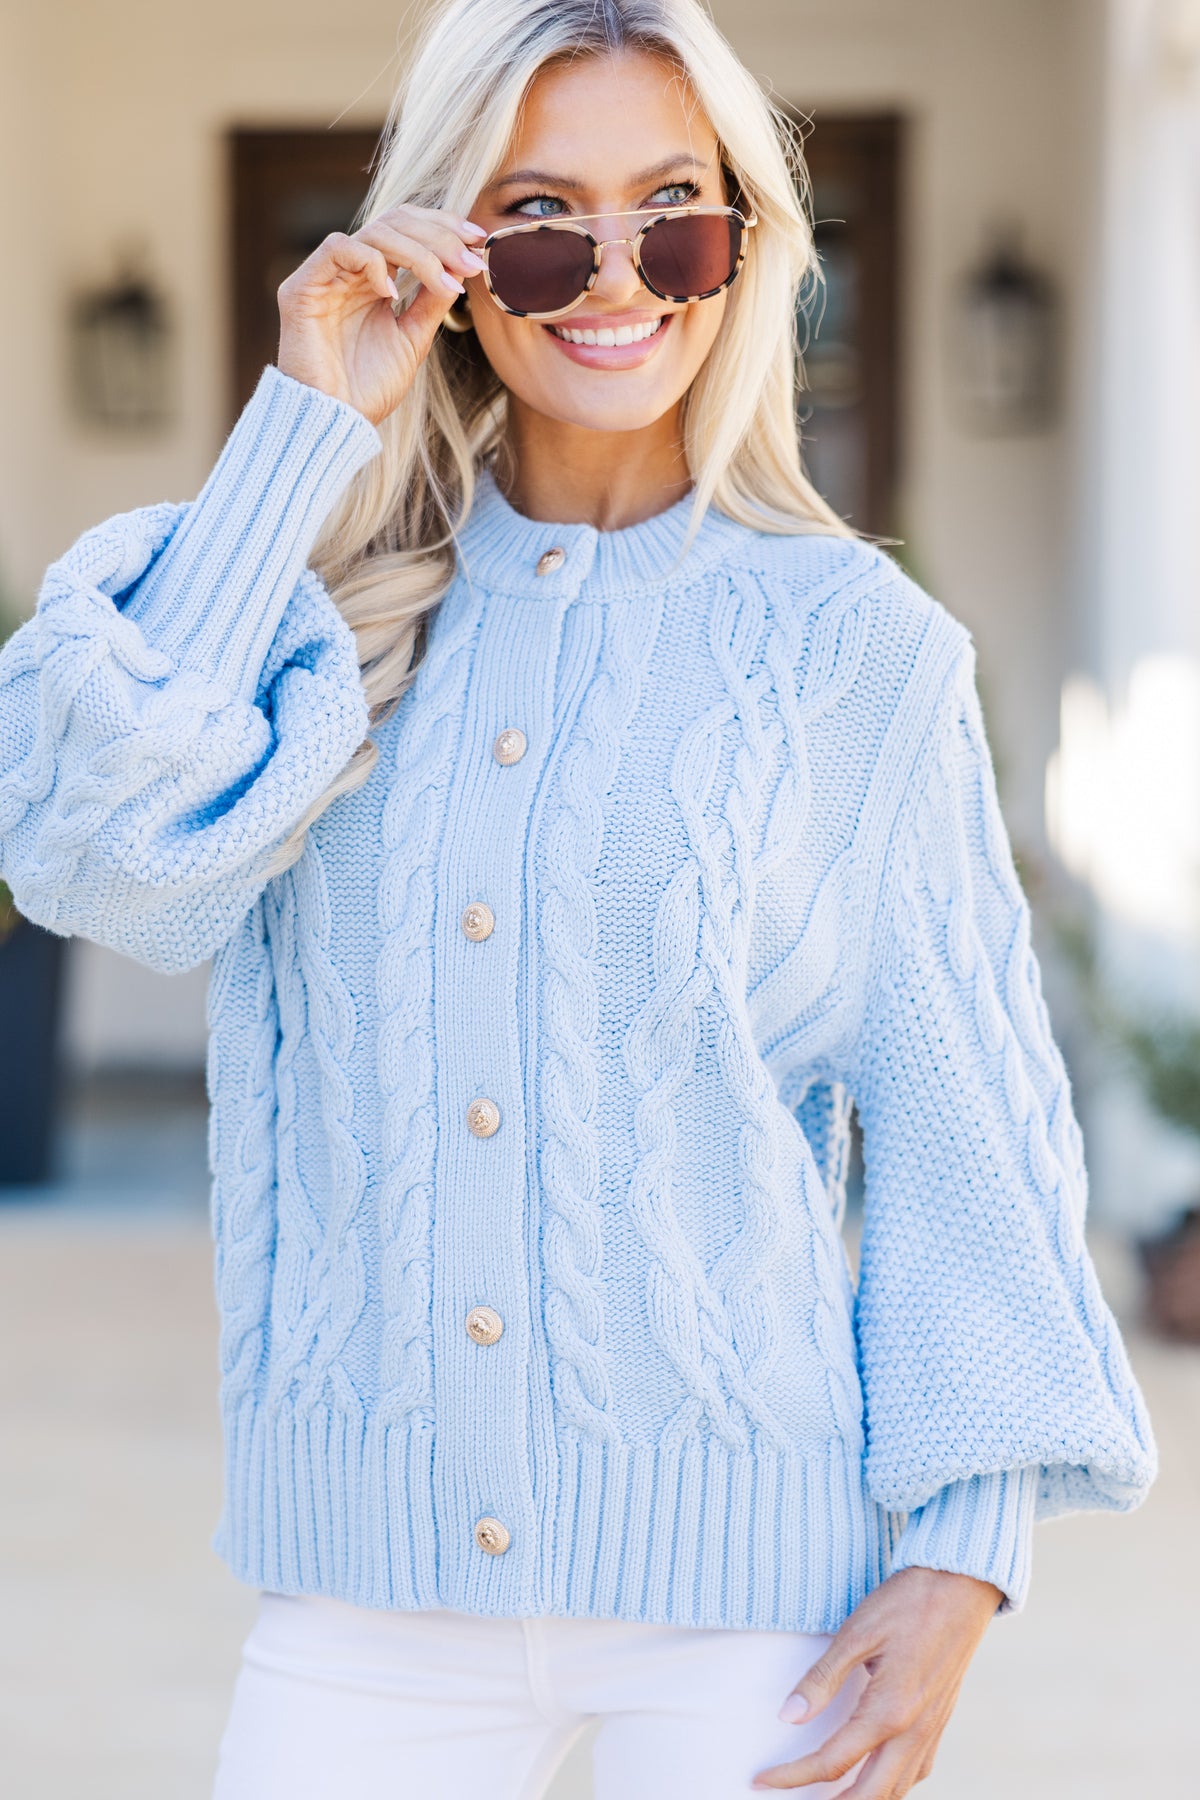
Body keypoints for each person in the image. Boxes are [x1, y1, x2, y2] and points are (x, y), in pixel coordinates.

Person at [0, 2, 1155, 1795]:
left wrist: (964, 1551)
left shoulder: (858, 658)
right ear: (450, 256)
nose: (618, 278)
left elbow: (964, 1130)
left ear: (743, 250)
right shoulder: (309, 622)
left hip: (750, 1624)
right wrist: (303, 430)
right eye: (541, 221)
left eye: (674, 216)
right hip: (361, 1608)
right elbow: (87, 856)